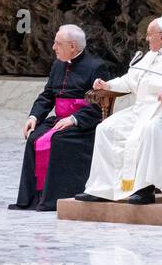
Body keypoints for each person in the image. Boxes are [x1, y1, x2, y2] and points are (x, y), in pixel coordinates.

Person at [76, 16, 162, 204]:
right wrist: (107, 85)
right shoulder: (151, 54)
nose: (146, 39)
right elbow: (130, 80)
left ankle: (145, 189)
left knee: (150, 129)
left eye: (149, 35)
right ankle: (102, 188)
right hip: (141, 110)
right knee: (105, 128)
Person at [10, 25, 108, 211]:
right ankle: (34, 198)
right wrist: (34, 116)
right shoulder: (57, 65)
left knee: (59, 139)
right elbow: (48, 95)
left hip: (83, 123)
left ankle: (55, 198)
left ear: (72, 46)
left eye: (57, 43)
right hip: (59, 119)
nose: (53, 47)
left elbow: (98, 105)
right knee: (33, 137)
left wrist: (73, 119)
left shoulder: (96, 67)